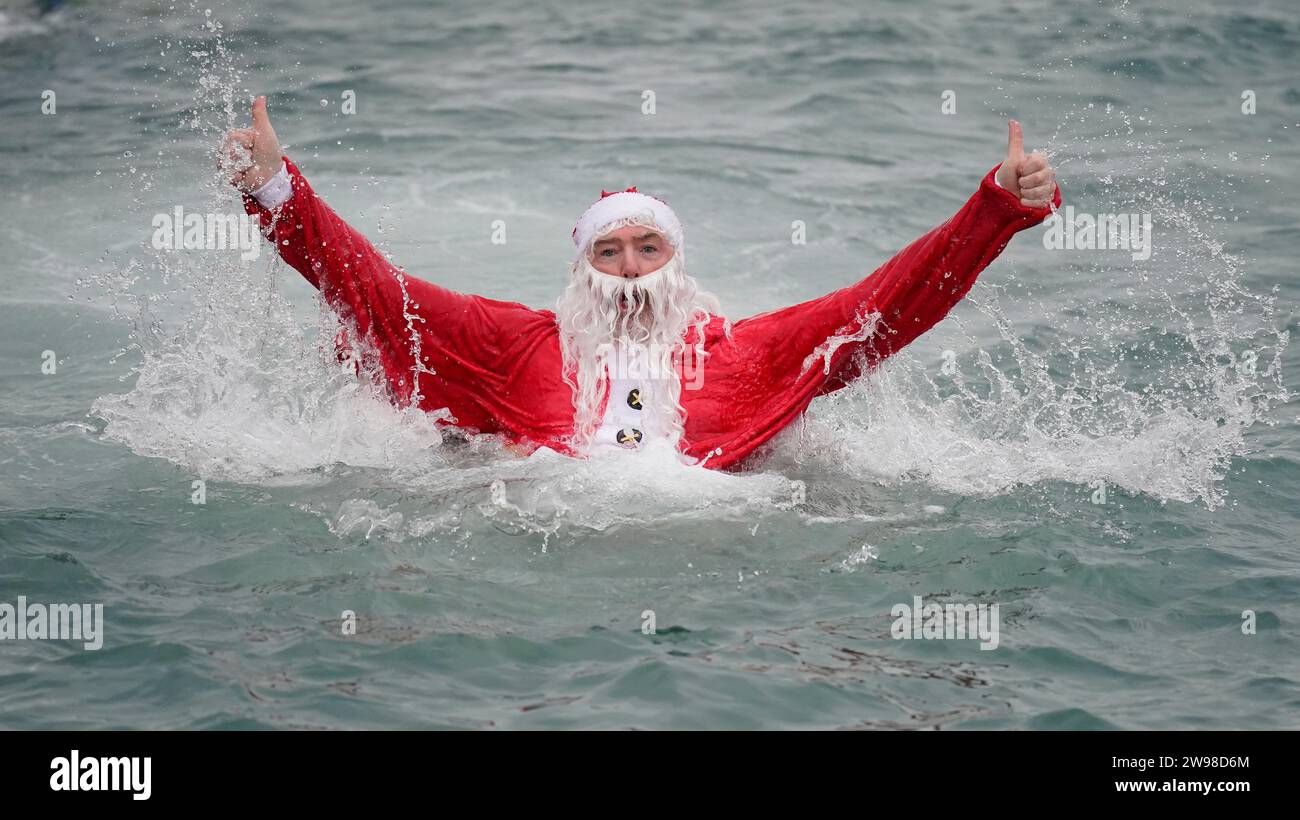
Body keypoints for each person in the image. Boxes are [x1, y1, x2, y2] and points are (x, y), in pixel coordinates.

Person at [221, 96, 1059, 470]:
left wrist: (995, 207)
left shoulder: (749, 353)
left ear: (677, 261)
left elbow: (890, 303)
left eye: (648, 249)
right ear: (581, 267)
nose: (628, 270)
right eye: (609, 253)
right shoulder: (516, 341)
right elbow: (373, 290)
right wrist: (275, 190)